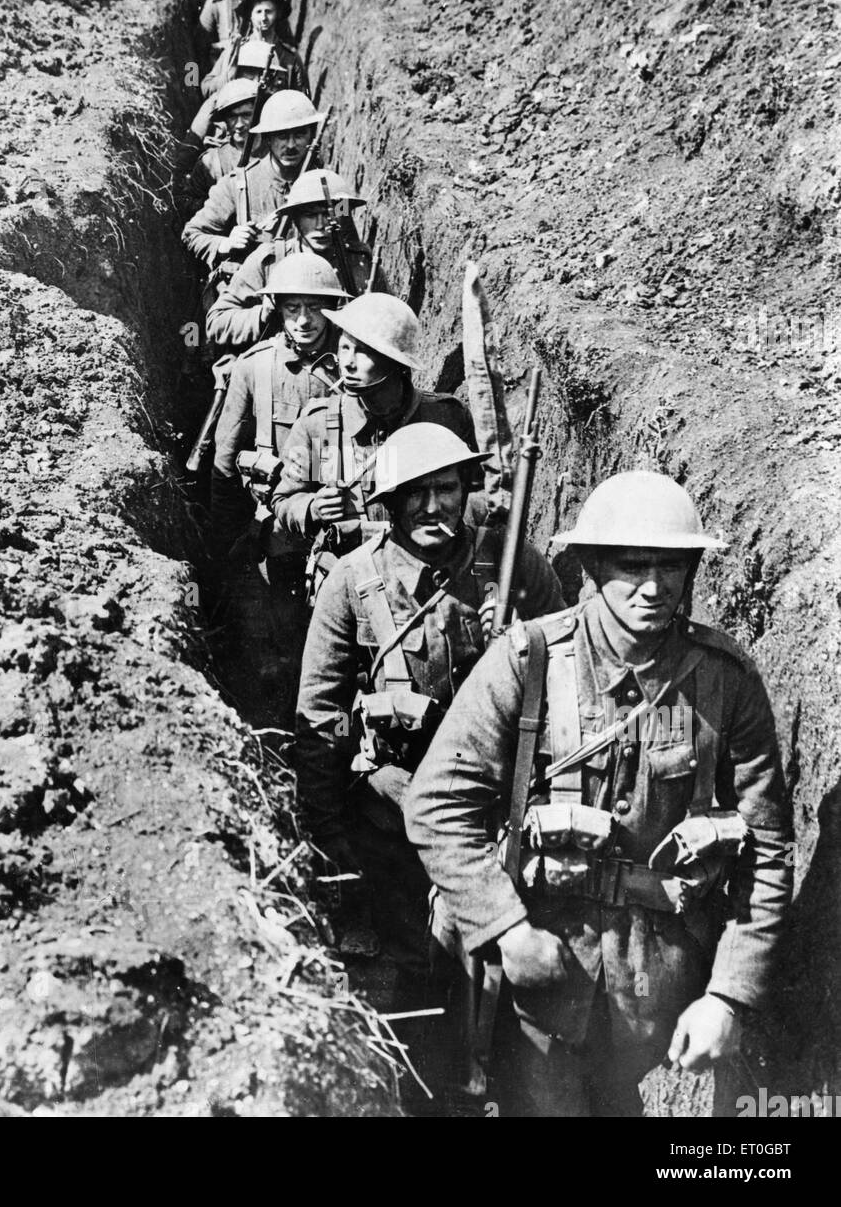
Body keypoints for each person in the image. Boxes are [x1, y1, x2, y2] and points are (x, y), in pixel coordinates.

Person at [404, 470, 794, 1116]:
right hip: (540, 975)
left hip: (660, 993)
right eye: (630, 565)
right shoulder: (527, 661)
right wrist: (507, 930)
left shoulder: (727, 682)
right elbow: (436, 803)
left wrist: (729, 995)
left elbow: (769, 851)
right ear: (588, 566)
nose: (653, 586)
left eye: (671, 566)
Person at [294, 424, 564, 1013]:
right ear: (388, 502)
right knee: (415, 975)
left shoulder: (514, 563)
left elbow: (569, 675)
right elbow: (319, 719)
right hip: (395, 821)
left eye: (445, 488)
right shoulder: (353, 583)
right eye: (414, 493)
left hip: (499, 810)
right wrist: (331, 843)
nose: (433, 506)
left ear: (467, 488)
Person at [211, 255, 350, 711]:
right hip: (278, 522)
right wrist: (227, 546)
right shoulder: (256, 368)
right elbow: (225, 461)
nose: (304, 320)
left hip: (345, 518)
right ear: (277, 310)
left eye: (315, 308)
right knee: (280, 629)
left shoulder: (357, 363)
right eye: (293, 309)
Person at [271, 293, 474, 601]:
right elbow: (284, 500)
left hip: (435, 578)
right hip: (350, 584)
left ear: (395, 360)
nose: (348, 362)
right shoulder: (319, 425)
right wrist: (313, 508)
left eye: (363, 351)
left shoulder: (444, 416)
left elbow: (480, 494)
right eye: (344, 347)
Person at [206, 170, 377, 355]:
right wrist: (262, 315)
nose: (320, 225)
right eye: (310, 216)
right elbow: (217, 321)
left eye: (329, 214)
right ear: (295, 218)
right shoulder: (269, 261)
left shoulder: (360, 263)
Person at [182, 89, 325, 273]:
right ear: (268, 138)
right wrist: (226, 243)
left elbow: (346, 232)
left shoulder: (324, 184)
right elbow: (192, 234)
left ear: (311, 137)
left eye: (299, 135)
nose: (290, 145)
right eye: (282, 136)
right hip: (251, 293)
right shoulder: (238, 185)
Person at [202, 0, 307, 97]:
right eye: (258, 12)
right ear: (250, 15)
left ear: (278, 14)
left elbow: (302, 100)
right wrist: (226, 78)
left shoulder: (290, 58)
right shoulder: (236, 50)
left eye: (268, 12)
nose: (263, 18)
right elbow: (206, 87)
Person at [174, 78, 258, 210]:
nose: (239, 124)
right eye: (232, 117)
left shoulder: (274, 155)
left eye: (246, 115)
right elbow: (186, 202)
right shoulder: (211, 163)